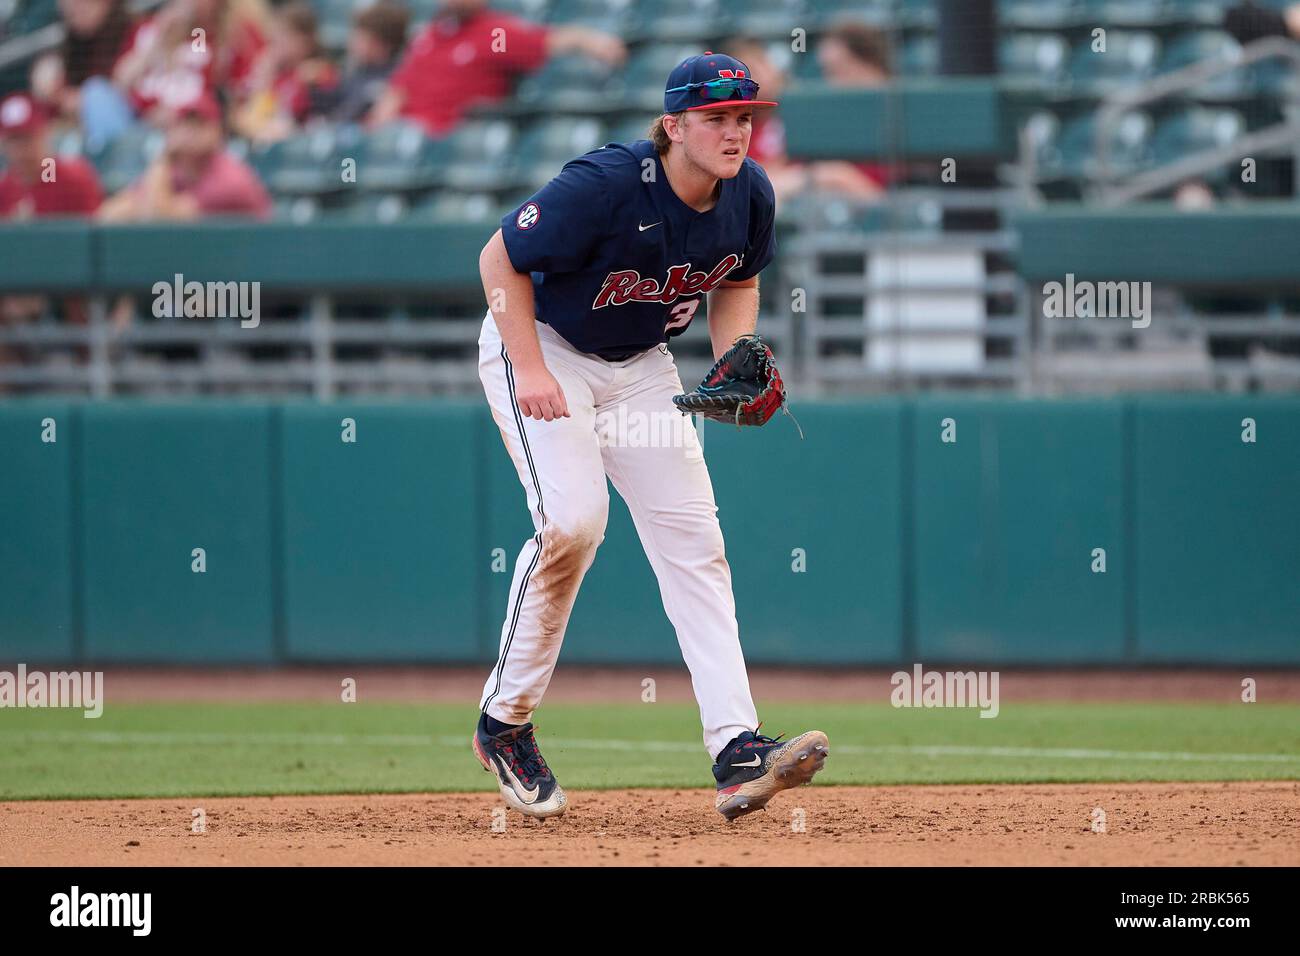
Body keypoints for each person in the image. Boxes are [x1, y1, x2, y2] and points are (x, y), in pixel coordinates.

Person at [471, 51, 829, 821]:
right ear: (673, 126)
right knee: (573, 524)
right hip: (543, 347)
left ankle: (738, 750)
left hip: (638, 367)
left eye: (745, 118)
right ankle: (505, 723)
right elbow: (499, 258)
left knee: (695, 543)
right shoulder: (604, 184)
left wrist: (737, 352)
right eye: (716, 119)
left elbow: (738, 279)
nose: (736, 132)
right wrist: (529, 368)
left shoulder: (749, 195)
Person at [367, 0, 625, 137]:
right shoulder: (429, 36)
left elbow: (548, 41)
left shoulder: (494, 32)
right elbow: (397, 91)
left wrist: (590, 40)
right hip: (407, 136)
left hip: (455, 141)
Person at [98, 93, 271, 222]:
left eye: (199, 124)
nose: (190, 132)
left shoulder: (231, 179)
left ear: (218, 131)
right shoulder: (177, 170)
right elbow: (108, 214)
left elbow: (159, 218)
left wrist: (163, 158)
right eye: (184, 124)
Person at [111, 0, 269, 123]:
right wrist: (159, 38)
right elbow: (120, 82)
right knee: (97, 93)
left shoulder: (229, 35)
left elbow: (224, 90)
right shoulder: (149, 28)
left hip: (193, 123)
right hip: (136, 118)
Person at [232, 1, 337, 143]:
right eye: (275, 36)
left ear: (305, 42)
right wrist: (264, 76)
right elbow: (249, 119)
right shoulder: (278, 75)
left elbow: (299, 119)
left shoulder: (318, 73)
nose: (275, 43)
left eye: (283, 36)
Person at [309, 0, 408, 125]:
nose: (352, 41)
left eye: (360, 37)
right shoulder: (358, 71)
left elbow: (353, 114)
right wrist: (313, 86)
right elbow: (332, 102)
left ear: (380, 44)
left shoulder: (393, 77)